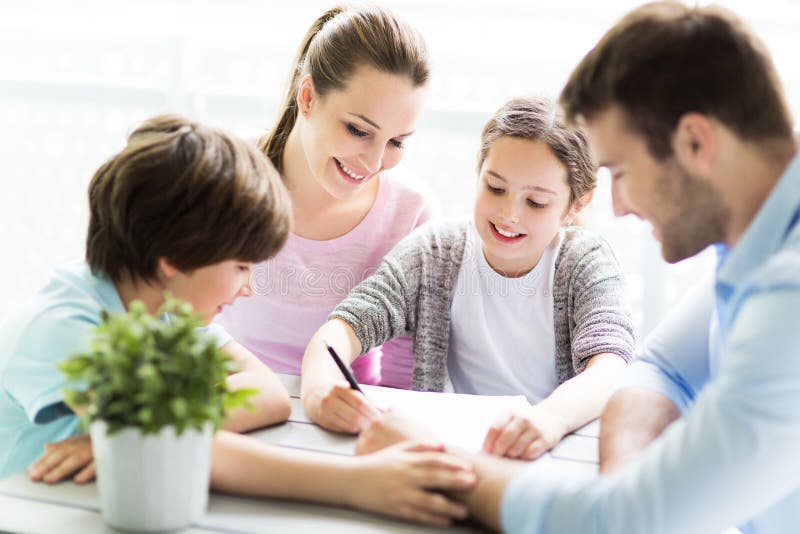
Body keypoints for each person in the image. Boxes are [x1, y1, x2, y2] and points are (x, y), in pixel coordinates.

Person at [357, 2, 800, 533]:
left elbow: (623, 523)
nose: (620, 206)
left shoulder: (789, 293)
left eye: (622, 171)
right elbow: (662, 368)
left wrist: (432, 458)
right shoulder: (761, 242)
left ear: (695, 143)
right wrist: (626, 485)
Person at [0, 115, 476, 526]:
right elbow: (185, 453)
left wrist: (147, 433)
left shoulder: (164, 313)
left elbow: (267, 394)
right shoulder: (64, 328)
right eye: (242, 267)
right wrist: (358, 483)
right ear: (176, 259)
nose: (248, 287)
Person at [302, 97, 635, 460]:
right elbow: (346, 325)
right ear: (478, 171)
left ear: (577, 204)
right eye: (495, 188)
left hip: (548, 452)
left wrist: (549, 419)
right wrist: (319, 390)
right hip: (450, 449)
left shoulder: (585, 262)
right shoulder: (434, 252)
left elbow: (610, 365)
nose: (509, 214)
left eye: (536, 203)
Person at [215, 4, 437, 390]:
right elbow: (169, 308)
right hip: (226, 400)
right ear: (307, 97)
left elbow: (408, 367)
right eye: (358, 130)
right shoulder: (223, 172)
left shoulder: (411, 212)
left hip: (344, 408)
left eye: (397, 142)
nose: (374, 162)